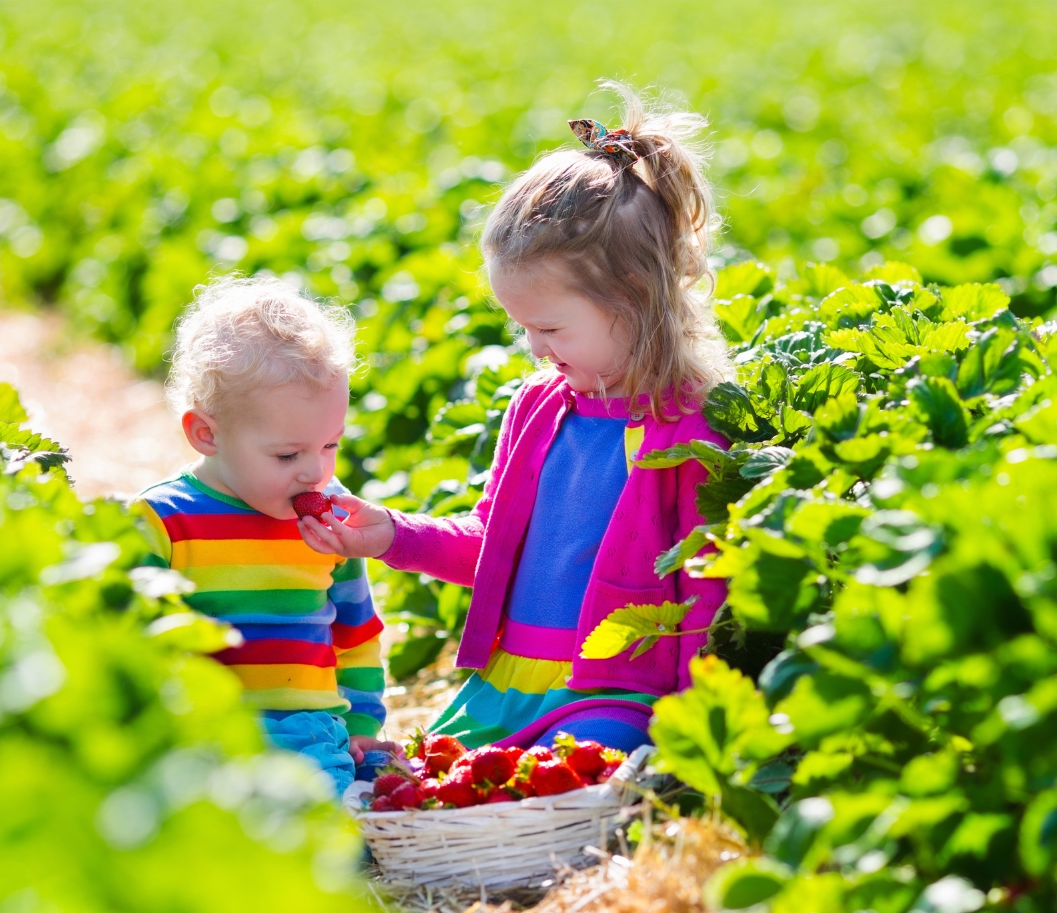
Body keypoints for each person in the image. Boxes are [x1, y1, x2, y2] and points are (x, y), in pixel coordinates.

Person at [297, 84, 734, 754]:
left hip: (610, 694)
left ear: (636, 299)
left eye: (550, 326)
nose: (534, 348)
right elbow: (490, 542)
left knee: (575, 769)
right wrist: (390, 535)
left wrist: (691, 729)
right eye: (523, 327)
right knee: (414, 780)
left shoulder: (687, 429)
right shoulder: (538, 410)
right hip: (505, 686)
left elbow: (705, 588)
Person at [132, 276, 396, 794]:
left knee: (331, 826)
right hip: (204, 733)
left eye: (330, 445)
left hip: (310, 732)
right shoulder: (164, 521)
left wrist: (362, 725)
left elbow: (355, 629)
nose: (314, 472)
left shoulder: (329, 522)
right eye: (287, 455)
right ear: (206, 434)